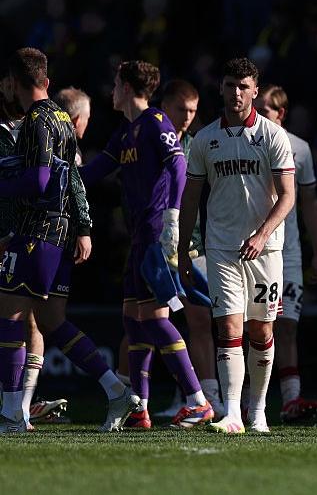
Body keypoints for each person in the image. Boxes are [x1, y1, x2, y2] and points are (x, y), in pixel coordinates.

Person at [0, 48, 139, 433]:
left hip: (35, 231)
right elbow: (73, 178)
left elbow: (40, 180)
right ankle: (116, 389)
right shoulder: (63, 119)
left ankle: (12, 414)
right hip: (59, 234)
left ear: (14, 84)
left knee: (9, 315)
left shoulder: (35, 123)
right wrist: (83, 226)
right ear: (44, 81)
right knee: (52, 321)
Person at [81, 61, 214, 430]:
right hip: (139, 235)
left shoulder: (156, 122)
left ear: (125, 86)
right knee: (132, 319)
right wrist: (61, 177)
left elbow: (178, 167)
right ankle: (140, 407)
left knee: (155, 319)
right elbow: (95, 172)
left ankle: (198, 400)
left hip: (157, 235)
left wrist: (172, 217)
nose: (111, 90)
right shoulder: (125, 133)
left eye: (114, 84)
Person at [177, 57, 295, 434]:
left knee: (261, 331)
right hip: (222, 248)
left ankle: (258, 410)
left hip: (266, 249)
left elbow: (288, 196)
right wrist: (181, 251)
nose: (236, 93)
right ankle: (232, 413)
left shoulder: (273, 136)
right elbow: (190, 200)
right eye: (230, 85)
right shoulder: (205, 139)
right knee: (228, 327)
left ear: (255, 91)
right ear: (222, 88)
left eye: (243, 86)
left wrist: (262, 235)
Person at [153, 79, 224, 419]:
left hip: (193, 245)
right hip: (154, 246)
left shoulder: (198, 144)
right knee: (154, 319)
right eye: (181, 109)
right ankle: (170, 394)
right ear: (165, 105)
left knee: (198, 319)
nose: (186, 116)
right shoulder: (151, 139)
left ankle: (208, 395)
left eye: (193, 111)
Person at [253, 84, 317, 423]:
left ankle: (291, 401)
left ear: (280, 113)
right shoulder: (248, 141)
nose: (261, 115)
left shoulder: (300, 149)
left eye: (267, 110)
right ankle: (251, 403)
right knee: (254, 326)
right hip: (252, 250)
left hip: (289, 253)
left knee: (287, 327)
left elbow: (309, 202)